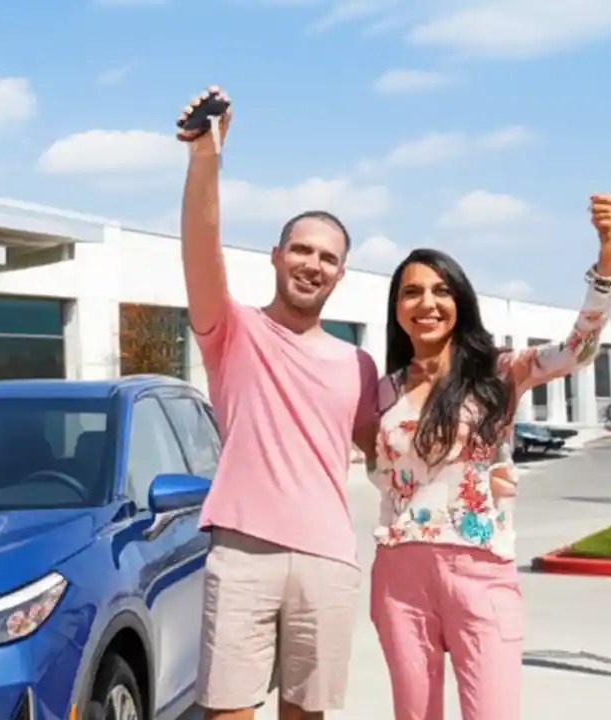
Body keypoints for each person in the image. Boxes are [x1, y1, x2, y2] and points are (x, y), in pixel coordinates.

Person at [367, 192, 611, 720]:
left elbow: (578, 348)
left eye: (441, 290)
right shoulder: (382, 391)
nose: (428, 303)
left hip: (480, 573)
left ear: (460, 302)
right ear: (397, 309)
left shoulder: (500, 372)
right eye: (412, 292)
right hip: (399, 577)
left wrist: (607, 260)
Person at [176, 86, 380, 720]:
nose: (313, 264)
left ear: (340, 274)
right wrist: (206, 157)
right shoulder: (231, 332)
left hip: (328, 559)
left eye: (328, 257)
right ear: (275, 256)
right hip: (242, 555)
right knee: (228, 712)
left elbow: (391, 457)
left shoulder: (358, 363)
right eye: (301, 249)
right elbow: (200, 248)